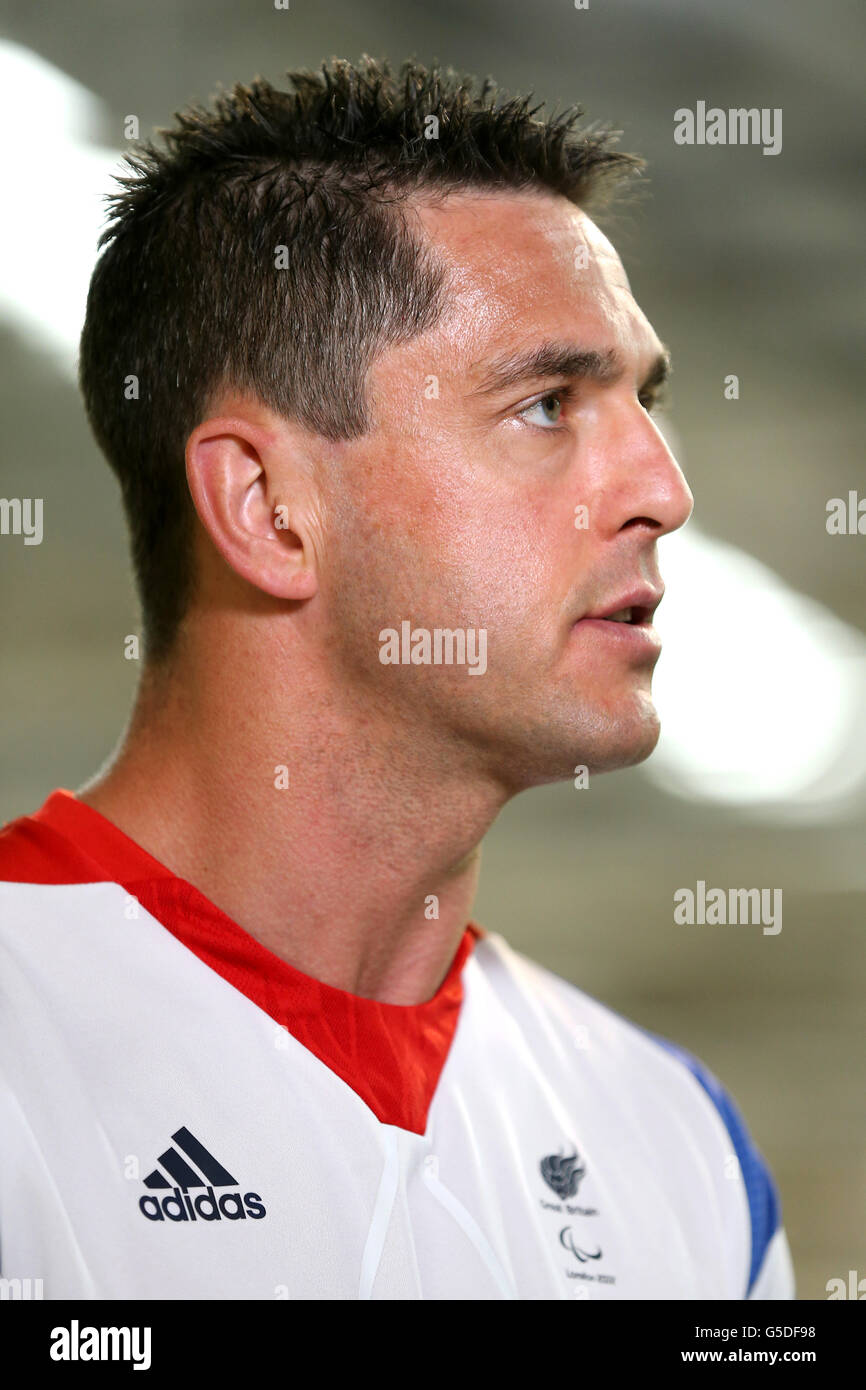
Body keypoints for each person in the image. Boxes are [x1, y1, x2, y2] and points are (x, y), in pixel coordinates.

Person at [0, 56, 794, 1299]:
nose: (662, 491)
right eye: (546, 404)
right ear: (266, 508)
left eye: (642, 401)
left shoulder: (678, 1151)